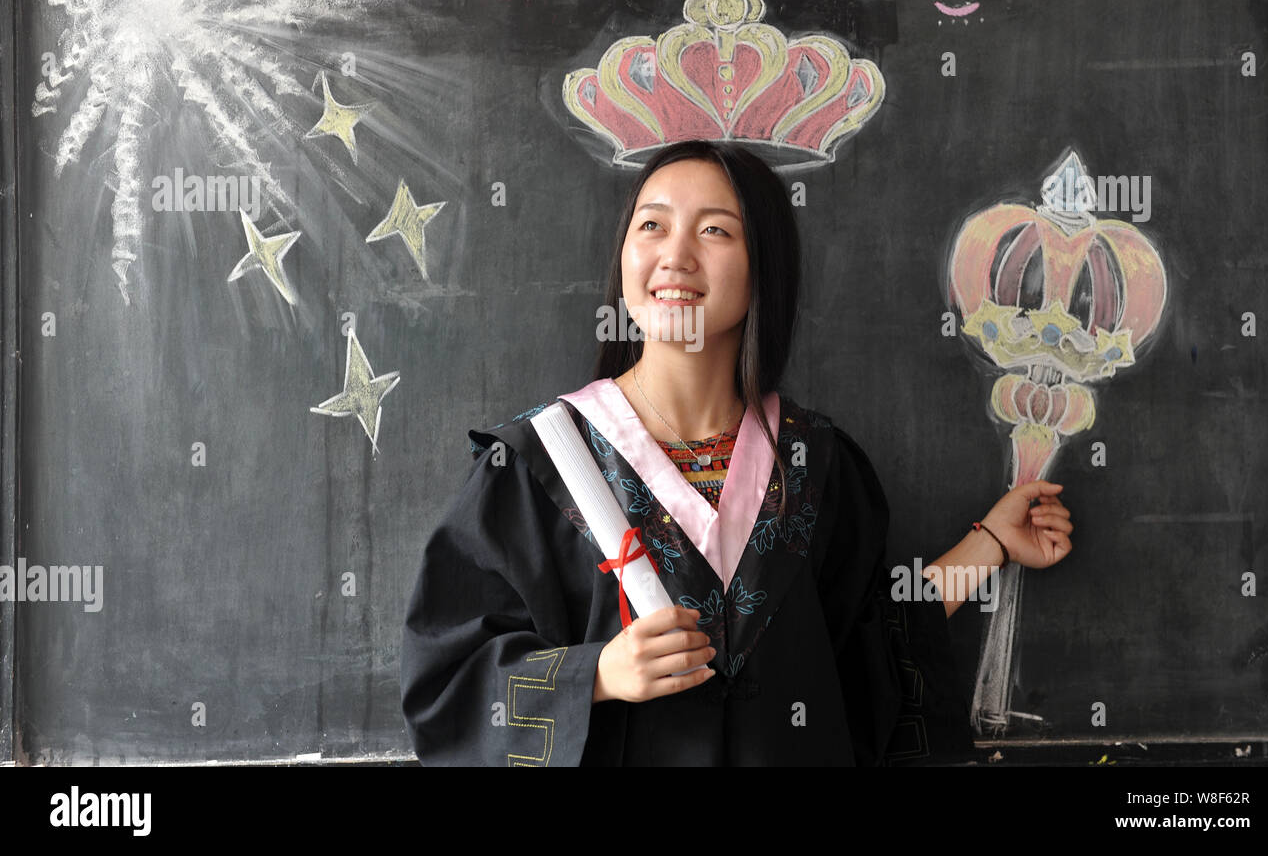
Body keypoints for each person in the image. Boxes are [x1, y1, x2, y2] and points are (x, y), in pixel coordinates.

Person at [400, 139, 1074, 766]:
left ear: (763, 269)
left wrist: (989, 544)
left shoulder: (815, 462)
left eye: (715, 229)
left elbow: (872, 646)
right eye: (653, 225)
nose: (676, 256)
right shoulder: (540, 463)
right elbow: (450, 682)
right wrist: (597, 675)